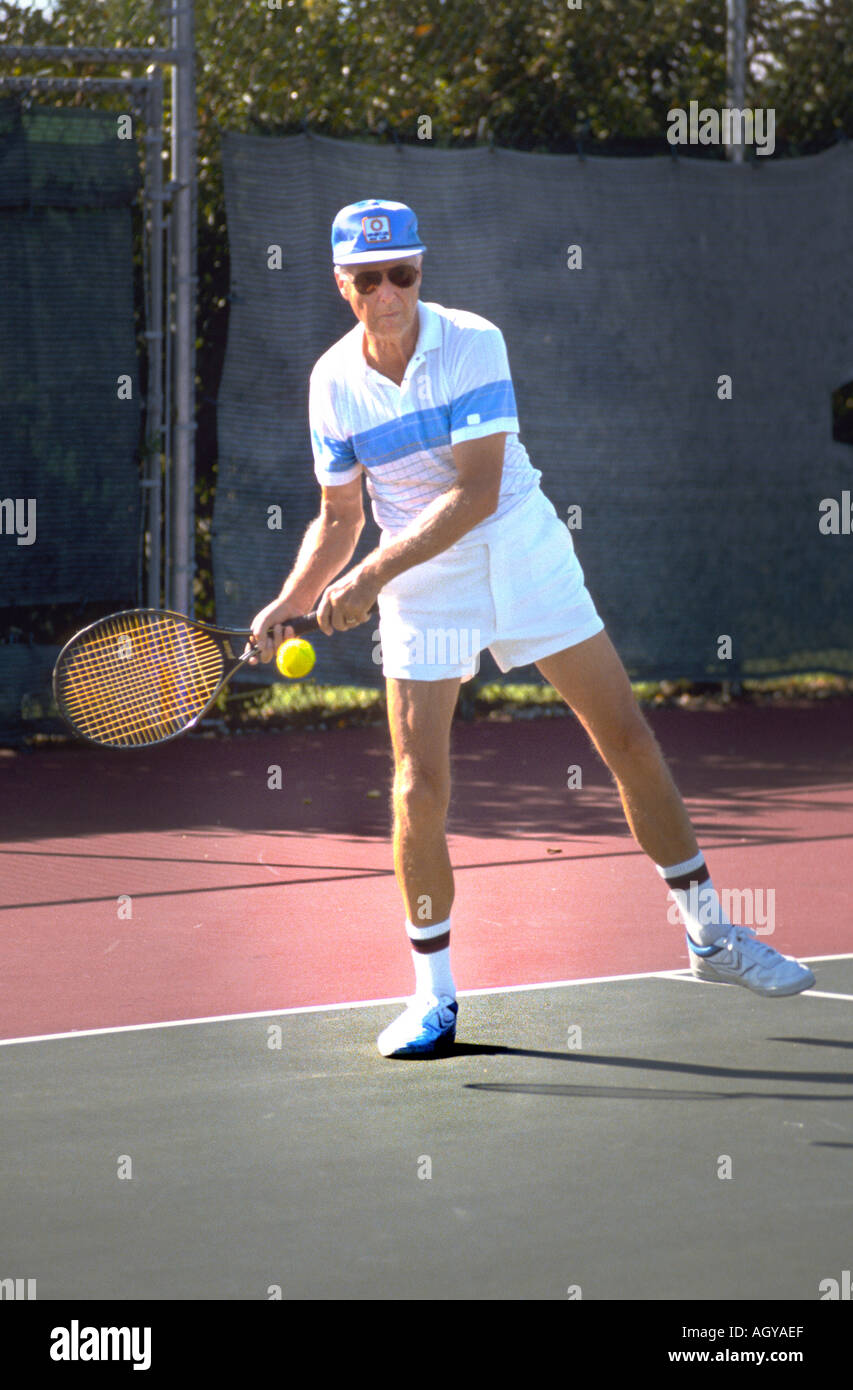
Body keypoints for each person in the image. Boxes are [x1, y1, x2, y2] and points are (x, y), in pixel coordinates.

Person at [250, 198, 814, 1058]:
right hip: (423, 586)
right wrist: (291, 600)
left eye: (401, 273)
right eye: (368, 280)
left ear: (420, 272)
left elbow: (475, 491)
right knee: (416, 786)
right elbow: (338, 516)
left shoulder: (472, 341)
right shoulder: (332, 382)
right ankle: (433, 999)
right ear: (341, 285)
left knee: (625, 737)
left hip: (518, 546)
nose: (387, 293)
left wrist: (368, 577)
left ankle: (710, 935)